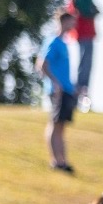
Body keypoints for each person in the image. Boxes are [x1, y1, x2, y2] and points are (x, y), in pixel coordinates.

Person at [37, 12, 79, 174]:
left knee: (61, 126)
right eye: (71, 21)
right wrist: (55, 83)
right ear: (64, 21)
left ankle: (63, 161)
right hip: (58, 91)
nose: (73, 25)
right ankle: (56, 161)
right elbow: (42, 64)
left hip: (67, 90)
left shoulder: (64, 43)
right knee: (55, 124)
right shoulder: (53, 41)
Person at [68, 0, 99, 109]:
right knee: (84, 65)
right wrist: (93, 10)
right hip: (83, 33)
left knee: (86, 65)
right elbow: (86, 11)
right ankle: (80, 93)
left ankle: (81, 93)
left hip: (87, 33)